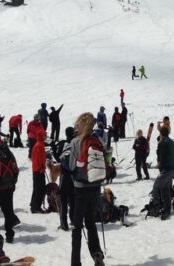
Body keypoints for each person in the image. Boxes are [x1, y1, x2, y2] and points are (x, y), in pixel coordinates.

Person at [66, 114, 111, 265]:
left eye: (77, 123)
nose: (76, 126)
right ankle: (97, 254)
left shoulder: (75, 142)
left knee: (77, 227)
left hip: (80, 190)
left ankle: (75, 262)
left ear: (82, 125)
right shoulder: (97, 140)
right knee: (91, 223)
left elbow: (72, 166)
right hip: (95, 188)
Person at [29, 136, 48, 213]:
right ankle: (36, 207)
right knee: (40, 188)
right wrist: (41, 168)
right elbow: (37, 159)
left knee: (38, 188)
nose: (46, 137)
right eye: (44, 135)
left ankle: (34, 205)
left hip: (38, 169)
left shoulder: (39, 144)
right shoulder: (39, 145)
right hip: (38, 170)